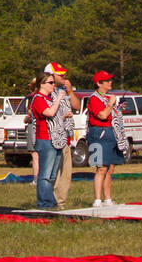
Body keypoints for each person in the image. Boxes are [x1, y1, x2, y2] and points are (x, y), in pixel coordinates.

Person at [43, 62, 81, 208]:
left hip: (65, 138)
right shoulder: (47, 93)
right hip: (52, 138)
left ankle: (60, 203)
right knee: (52, 174)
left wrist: (70, 92)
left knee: (65, 174)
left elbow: (77, 106)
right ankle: (49, 201)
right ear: (51, 74)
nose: (63, 76)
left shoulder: (64, 91)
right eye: (60, 74)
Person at [87, 71, 124, 209]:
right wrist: (110, 104)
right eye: (107, 81)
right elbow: (102, 115)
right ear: (99, 84)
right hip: (98, 134)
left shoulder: (107, 97)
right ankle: (97, 200)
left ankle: (108, 199)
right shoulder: (94, 99)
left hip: (111, 132)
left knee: (110, 167)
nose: (110, 83)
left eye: (110, 80)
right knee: (101, 167)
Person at [30, 69, 64, 210]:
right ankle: (45, 203)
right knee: (44, 175)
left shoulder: (49, 99)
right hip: (45, 140)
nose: (53, 86)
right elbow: (49, 113)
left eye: (54, 83)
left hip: (56, 140)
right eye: (50, 83)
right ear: (42, 84)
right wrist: (59, 99)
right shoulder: (38, 99)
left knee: (51, 176)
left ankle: (50, 202)